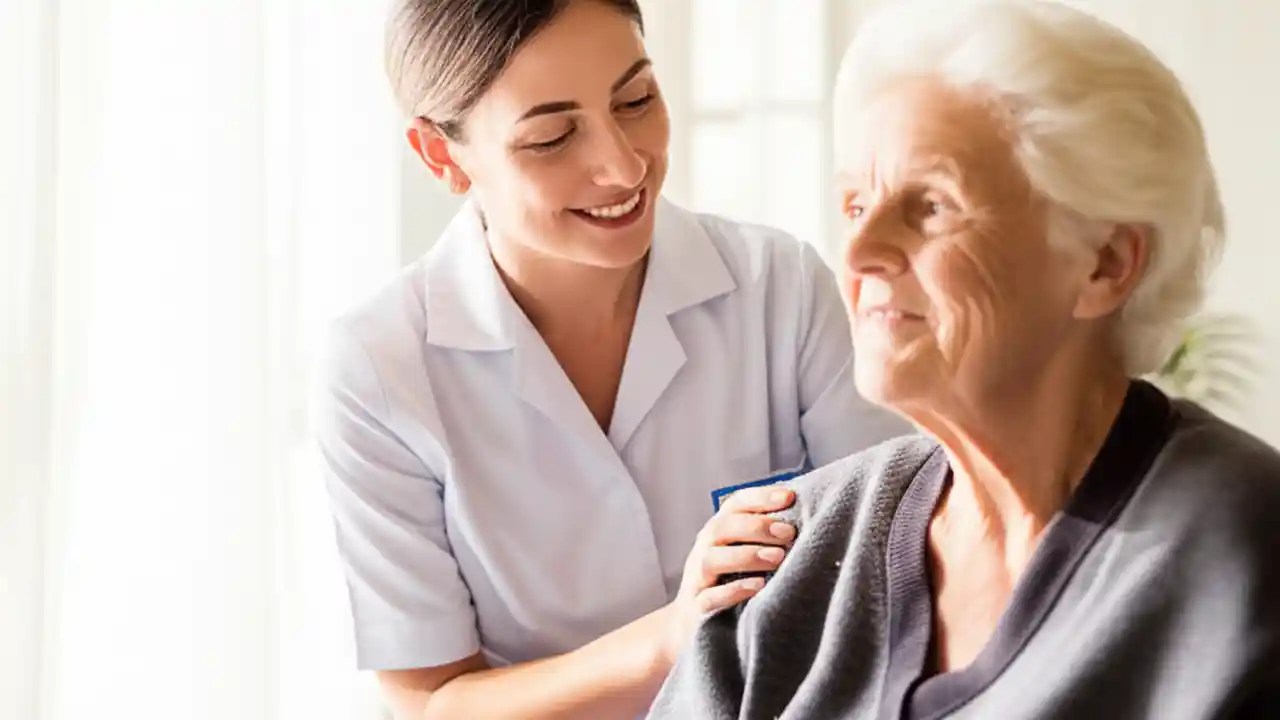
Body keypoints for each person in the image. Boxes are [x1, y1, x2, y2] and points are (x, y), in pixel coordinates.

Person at [648, 1, 1280, 718]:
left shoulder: (1241, 555)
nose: (857, 254)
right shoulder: (791, 548)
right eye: (856, 206)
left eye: (932, 207)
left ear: (1103, 263)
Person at [314, 1, 905, 718]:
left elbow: (898, 566)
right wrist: (675, 637)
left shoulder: (777, 285)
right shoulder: (381, 365)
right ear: (443, 156)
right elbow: (434, 703)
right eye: (551, 138)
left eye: (636, 100)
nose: (623, 165)